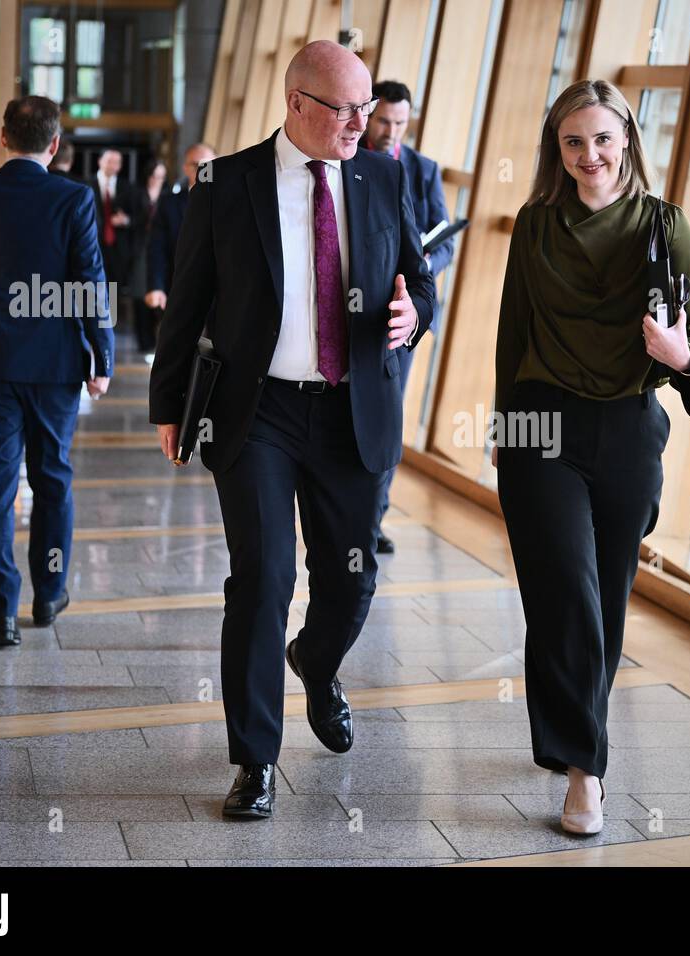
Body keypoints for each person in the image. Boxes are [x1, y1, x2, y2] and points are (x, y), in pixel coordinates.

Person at [148, 41, 436, 820]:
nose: (359, 125)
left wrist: (415, 318)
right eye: (345, 110)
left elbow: (420, 278)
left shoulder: (382, 176)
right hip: (259, 413)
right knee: (265, 576)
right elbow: (188, 299)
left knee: (349, 581)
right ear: (297, 103)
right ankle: (255, 761)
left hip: (350, 413)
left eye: (366, 110)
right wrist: (169, 405)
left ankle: (316, 659)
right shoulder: (226, 183)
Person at [492, 79, 690, 834]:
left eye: (601, 138)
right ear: (556, 150)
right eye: (573, 142)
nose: (589, 155)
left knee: (604, 597)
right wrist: (505, 434)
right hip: (541, 425)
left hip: (626, 426)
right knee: (564, 589)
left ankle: (573, 735)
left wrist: (677, 353)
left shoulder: (664, 224)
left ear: (626, 138)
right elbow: (512, 334)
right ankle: (585, 771)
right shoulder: (535, 225)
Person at [0, 95, 114, 647]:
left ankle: (1, 610)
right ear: (54, 146)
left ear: (4, 137)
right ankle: (49, 592)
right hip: (55, 364)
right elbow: (90, 281)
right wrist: (100, 357)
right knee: (52, 478)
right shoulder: (73, 198)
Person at [362, 79, 456, 554]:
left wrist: (416, 263)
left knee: (387, 417)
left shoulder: (422, 170)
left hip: (402, 318)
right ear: (368, 114)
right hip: (357, 309)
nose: (391, 131)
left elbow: (447, 246)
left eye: (400, 123)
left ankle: (372, 519)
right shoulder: (347, 158)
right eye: (384, 120)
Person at [144, 142, 216, 317]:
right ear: (185, 168)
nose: (202, 169)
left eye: (207, 164)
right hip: (178, 292)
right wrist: (156, 286)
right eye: (196, 165)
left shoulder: (232, 203)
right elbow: (157, 249)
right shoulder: (169, 204)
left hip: (219, 297)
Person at [88, 148, 143, 350]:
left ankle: (109, 327)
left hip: (119, 248)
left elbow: (141, 217)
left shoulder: (129, 188)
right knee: (94, 285)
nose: (113, 165)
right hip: (94, 245)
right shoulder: (86, 185)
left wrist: (126, 221)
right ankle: (95, 324)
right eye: (109, 160)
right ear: (100, 161)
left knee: (115, 286)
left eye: (117, 162)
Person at [129, 157, 169, 360]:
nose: (157, 180)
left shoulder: (168, 195)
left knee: (159, 295)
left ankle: (156, 341)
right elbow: (131, 218)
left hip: (159, 248)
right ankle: (143, 340)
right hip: (140, 248)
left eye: (161, 177)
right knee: (139, 293)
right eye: (154, 176)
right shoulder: (137, 194)